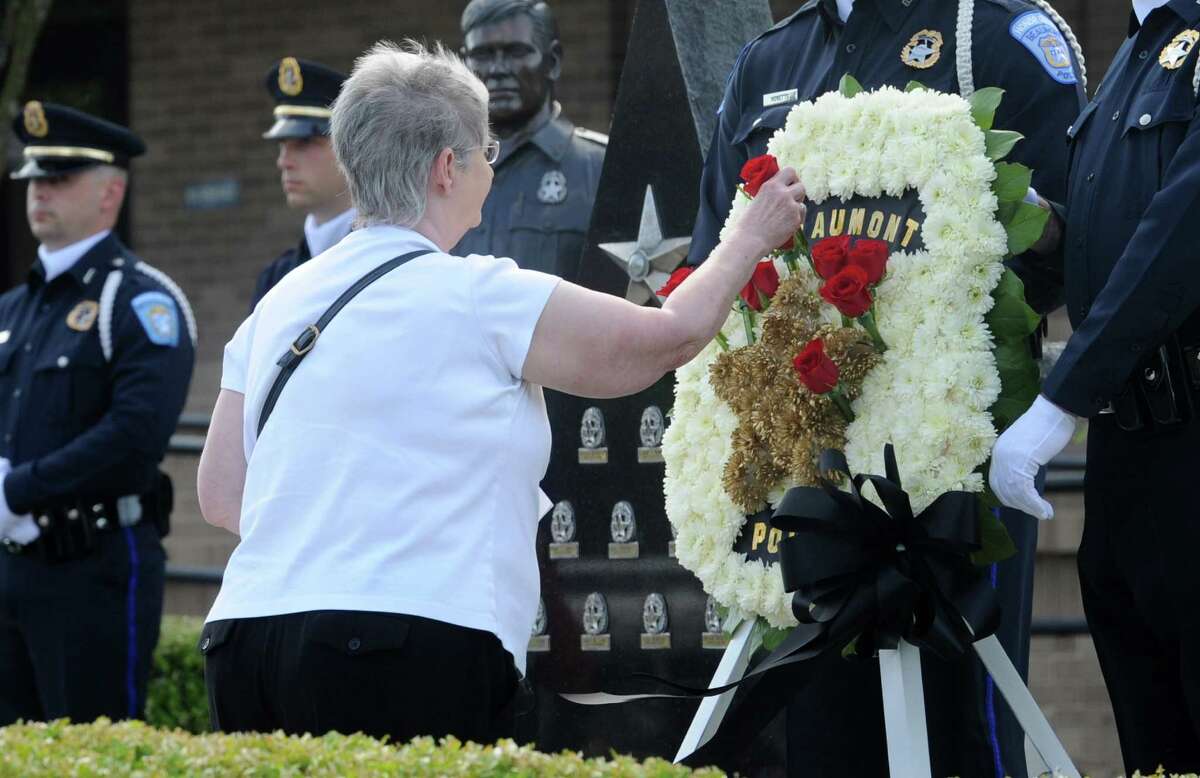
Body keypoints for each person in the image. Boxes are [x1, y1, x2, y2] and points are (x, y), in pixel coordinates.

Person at [195, 39, 806, 745]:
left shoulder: (277, 304)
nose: (492, 167)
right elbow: (663, 338)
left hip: (245, 639)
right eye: (485, 152)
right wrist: (749, 233)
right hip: (404, 640)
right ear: (446, 169)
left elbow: (219, 492)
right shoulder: (480, 295)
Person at [686, 1, 1086, 776]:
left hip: (950, 475)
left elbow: (1076, 246)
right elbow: (715, 266)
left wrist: (999, 209)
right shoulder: (769, 61)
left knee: (959, 738)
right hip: (804, 480)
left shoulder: (995, 36)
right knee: (820, 740)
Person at [991, 0, 1200, 773]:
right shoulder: (1137, 50)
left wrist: (1060, 400)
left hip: (1189, 445)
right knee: (1155, 751)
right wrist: (1038, 226)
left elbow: (1181, 232)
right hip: (1132, 461)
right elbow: (1114, 241)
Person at [0, 101, 195, 724]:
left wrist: (20, 488)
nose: (40, 192)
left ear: (111, 191)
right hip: (10, 566)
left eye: (58, 178)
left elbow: (136, 436)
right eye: (34, 177)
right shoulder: (13, 310)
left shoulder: (137, 300)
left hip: (92, 564)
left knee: (91, 746)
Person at [454, 0, 606, 277]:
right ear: (465, 64)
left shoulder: (601, 168)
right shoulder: (440, 170)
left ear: (554, 61)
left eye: (515, 52)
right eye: (483, 55)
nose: (497, 69)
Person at [251, 57, 355, 308]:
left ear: (352, 148)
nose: (283, 162)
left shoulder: (394, 259)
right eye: (282, 145)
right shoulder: (276, 278)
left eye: (304, 143)